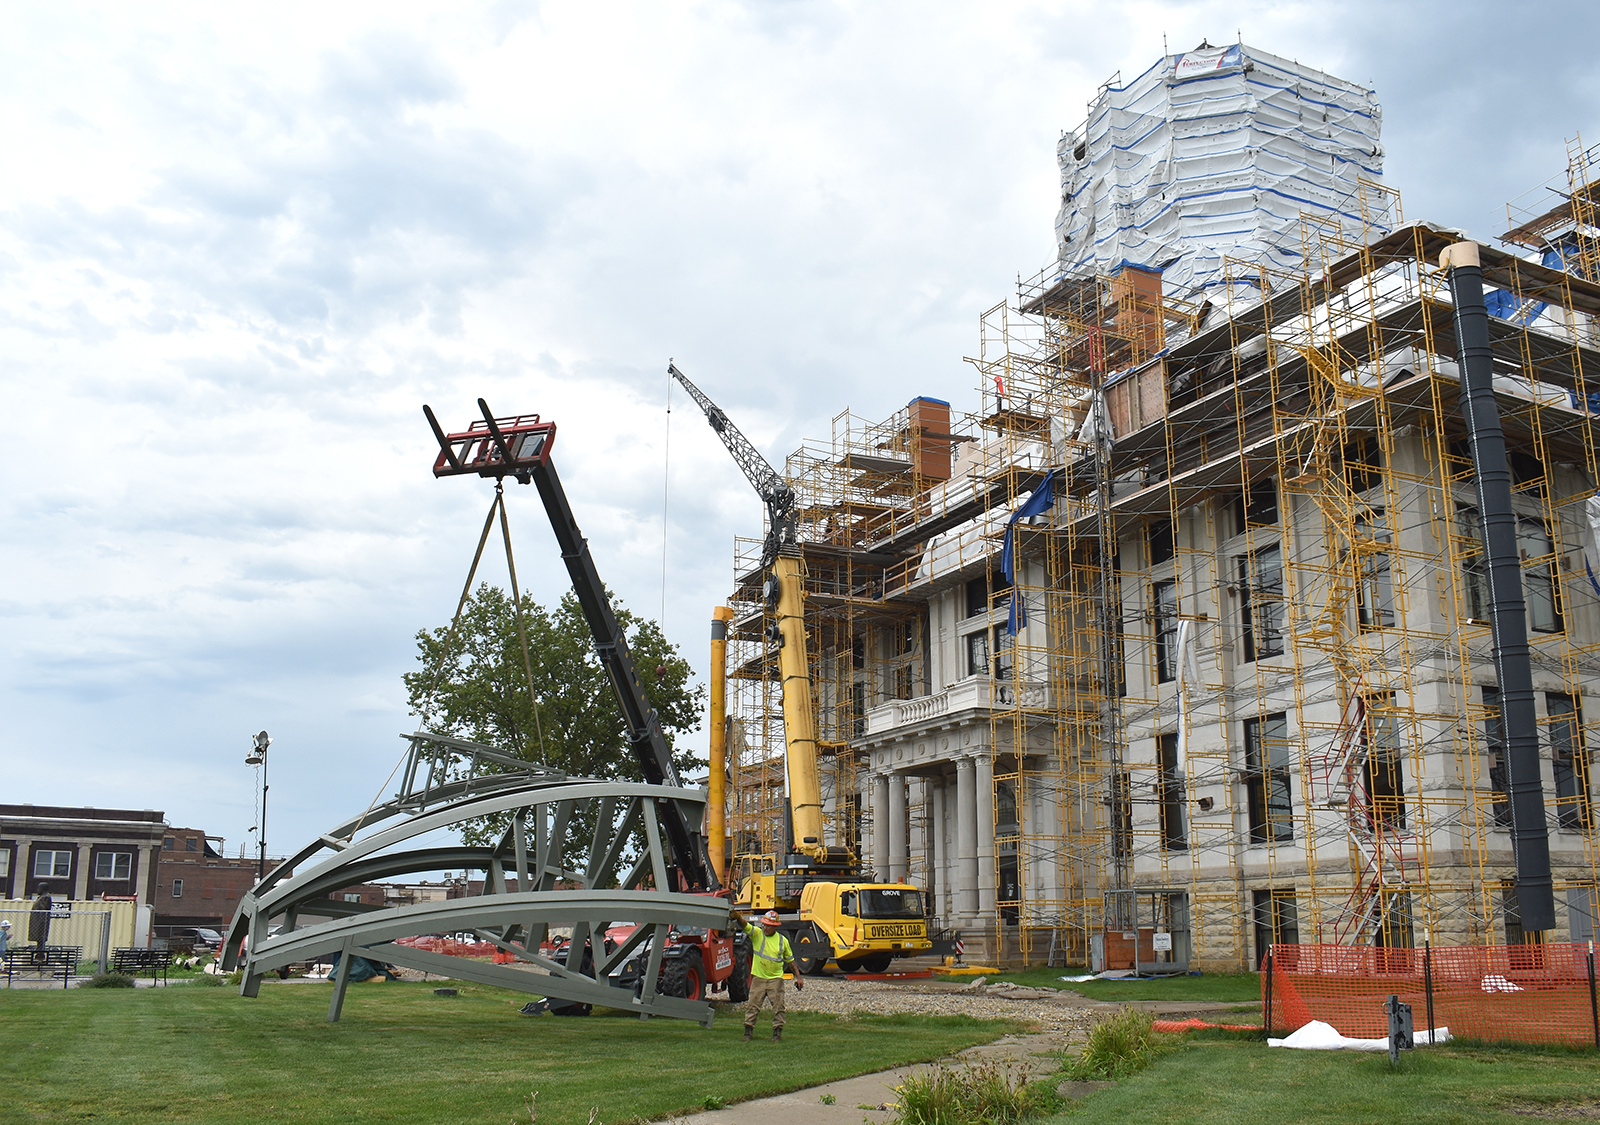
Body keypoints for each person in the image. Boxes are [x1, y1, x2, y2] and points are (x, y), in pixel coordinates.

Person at [733, 908, 803, 1042]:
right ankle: (748, 1032)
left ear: (775, 926)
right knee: (752, 1006)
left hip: (775, 980)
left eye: (767, 925)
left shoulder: (783, 941)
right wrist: (738, 917)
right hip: (758, 978)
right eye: (764, 924)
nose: (764, 927)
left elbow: (791, 962)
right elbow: (744, 925)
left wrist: (798, 978)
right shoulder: (757, 934)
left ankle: (777, 1033)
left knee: (778, 1007)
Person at [29, 886, 53, 965]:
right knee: (38, 940)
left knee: (41, 939)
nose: (37, 890)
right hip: (37, 922)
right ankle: (38, 954)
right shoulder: (41, 897)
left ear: (43, 888)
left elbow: (43, 910)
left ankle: (40, 955)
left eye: (39, 888)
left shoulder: (45, 897)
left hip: (40, 922)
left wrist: (41, 922)